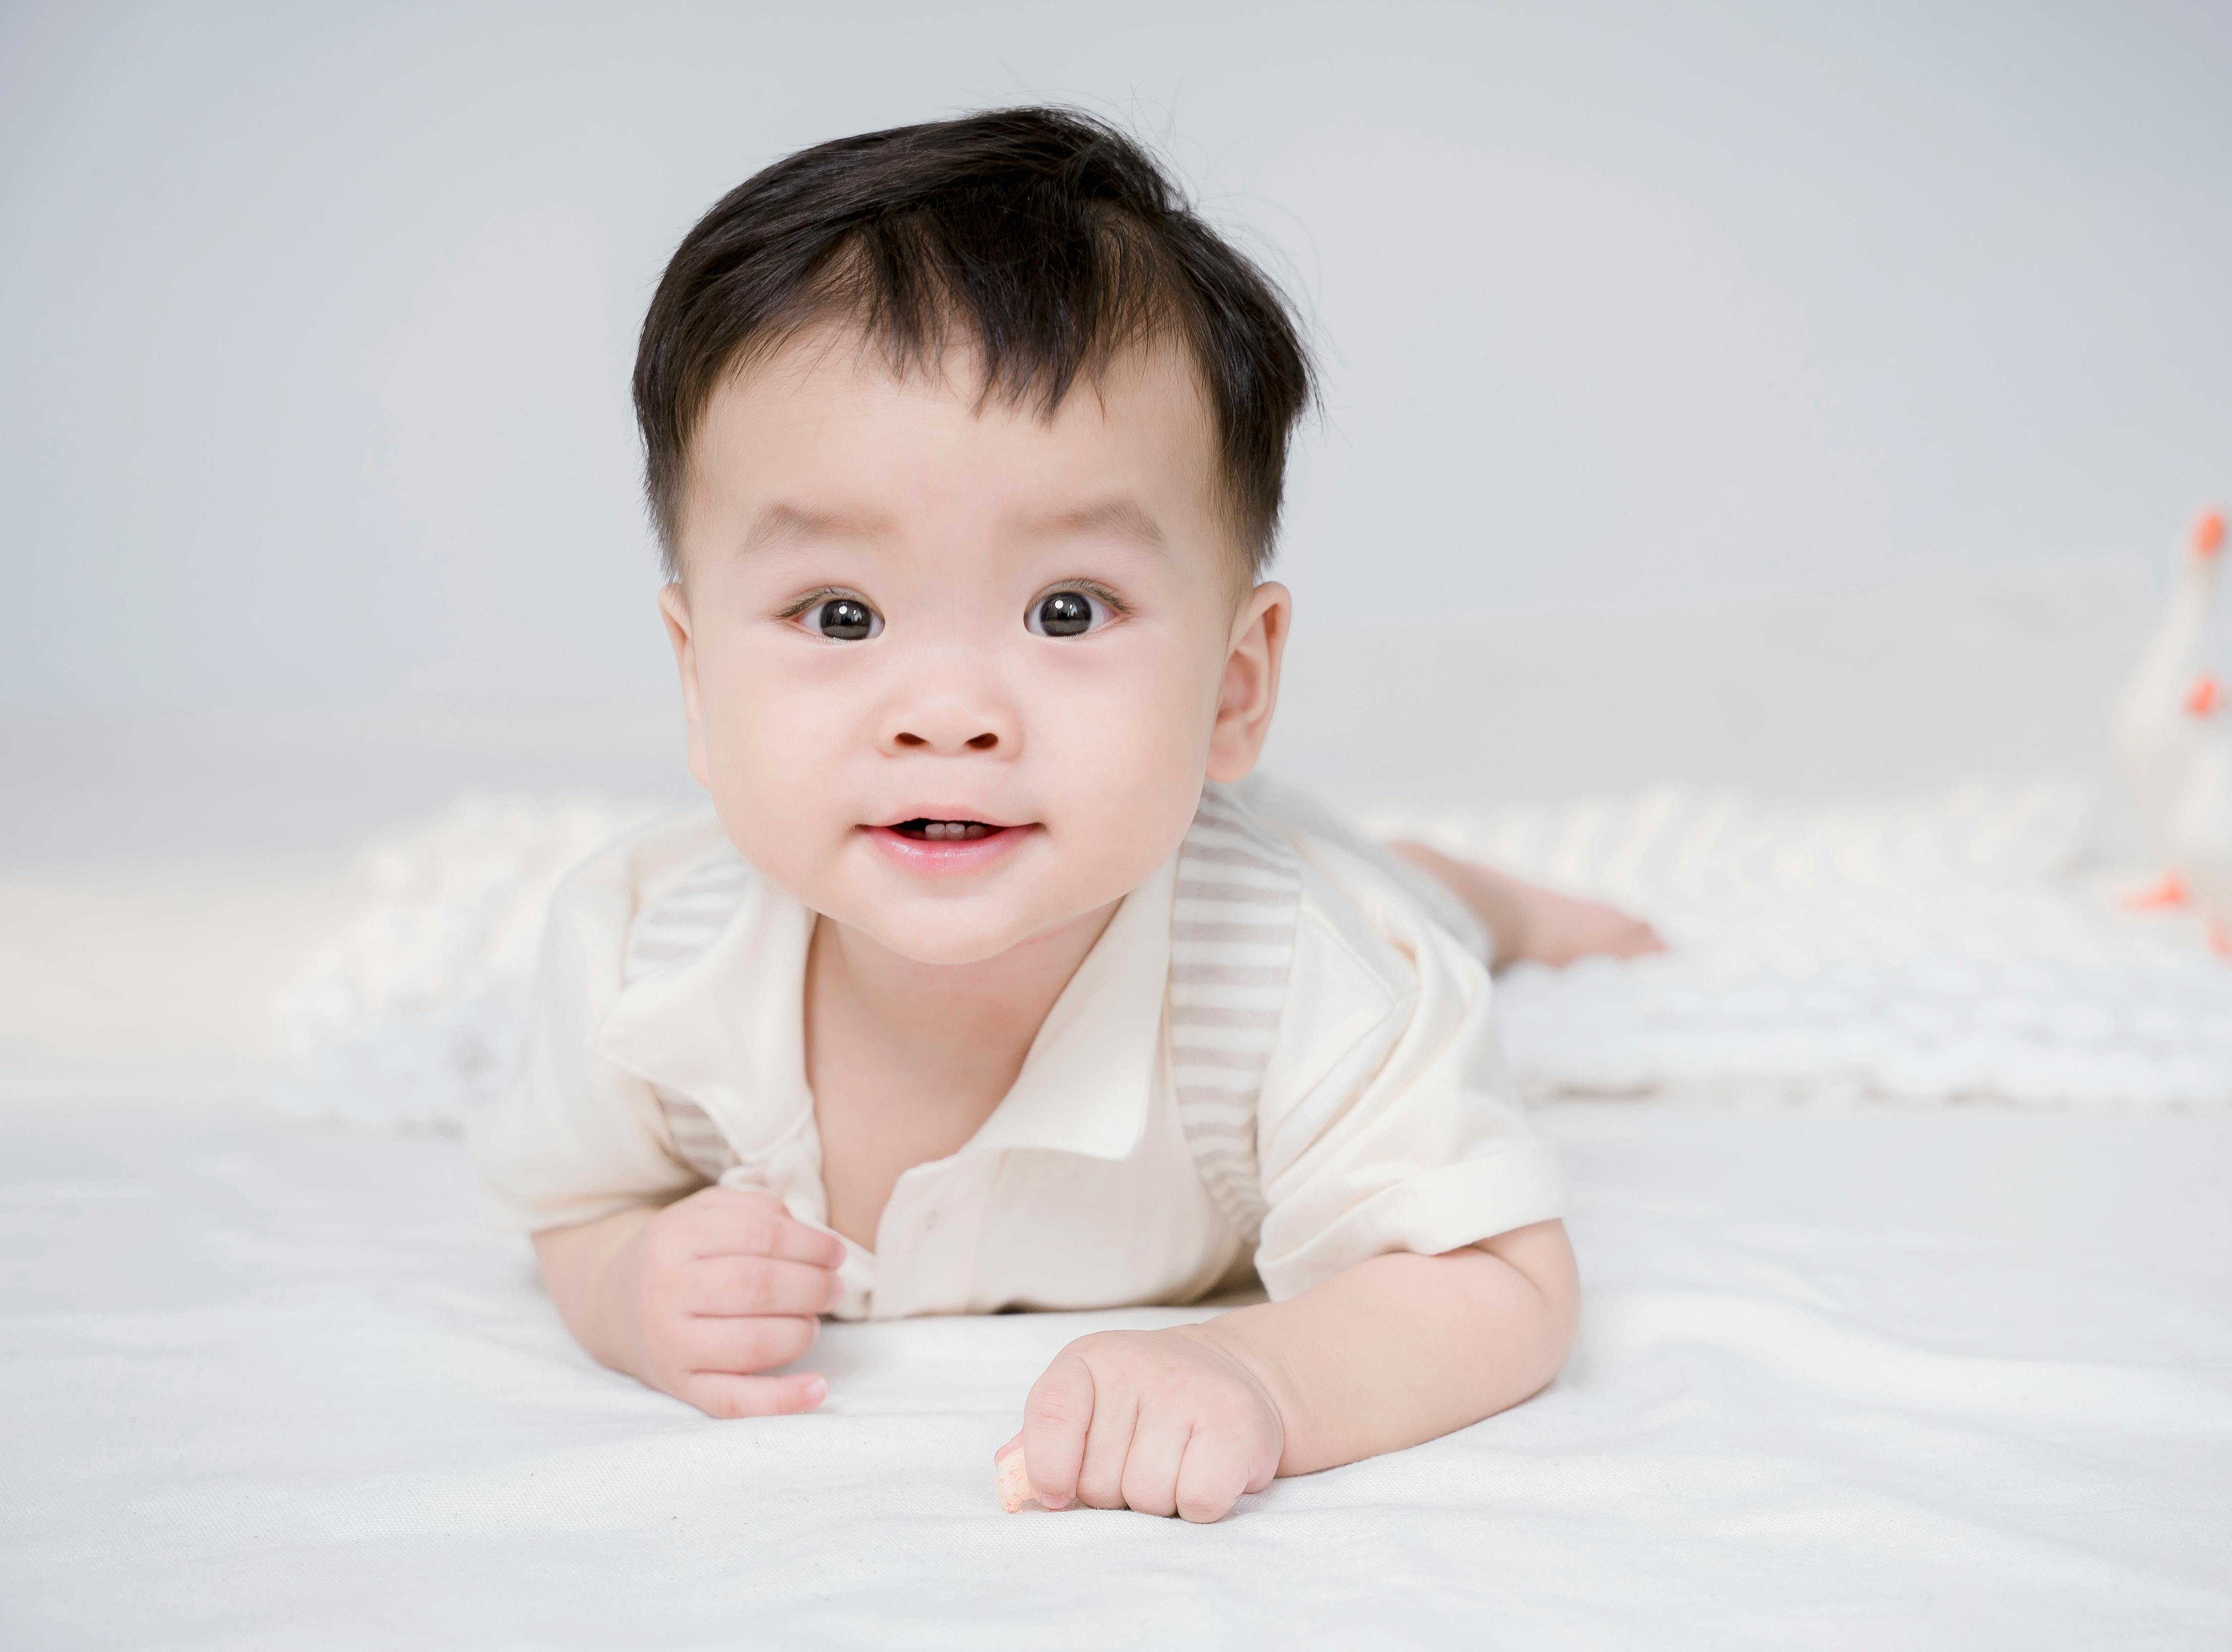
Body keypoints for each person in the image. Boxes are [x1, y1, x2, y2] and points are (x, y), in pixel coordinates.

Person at [469, 106, 1658, 1524]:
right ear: (695, 678)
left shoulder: (1307, 977)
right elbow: (578, 1206)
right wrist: (628, 1286)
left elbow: (1502, 1283)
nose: (951, 714)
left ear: (1234, 684)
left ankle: (1474, 890)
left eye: (1066, 610)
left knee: (1412, 911)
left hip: (1283, 887)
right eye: (839, 614)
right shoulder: (640, 957)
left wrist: (1263, 1377)